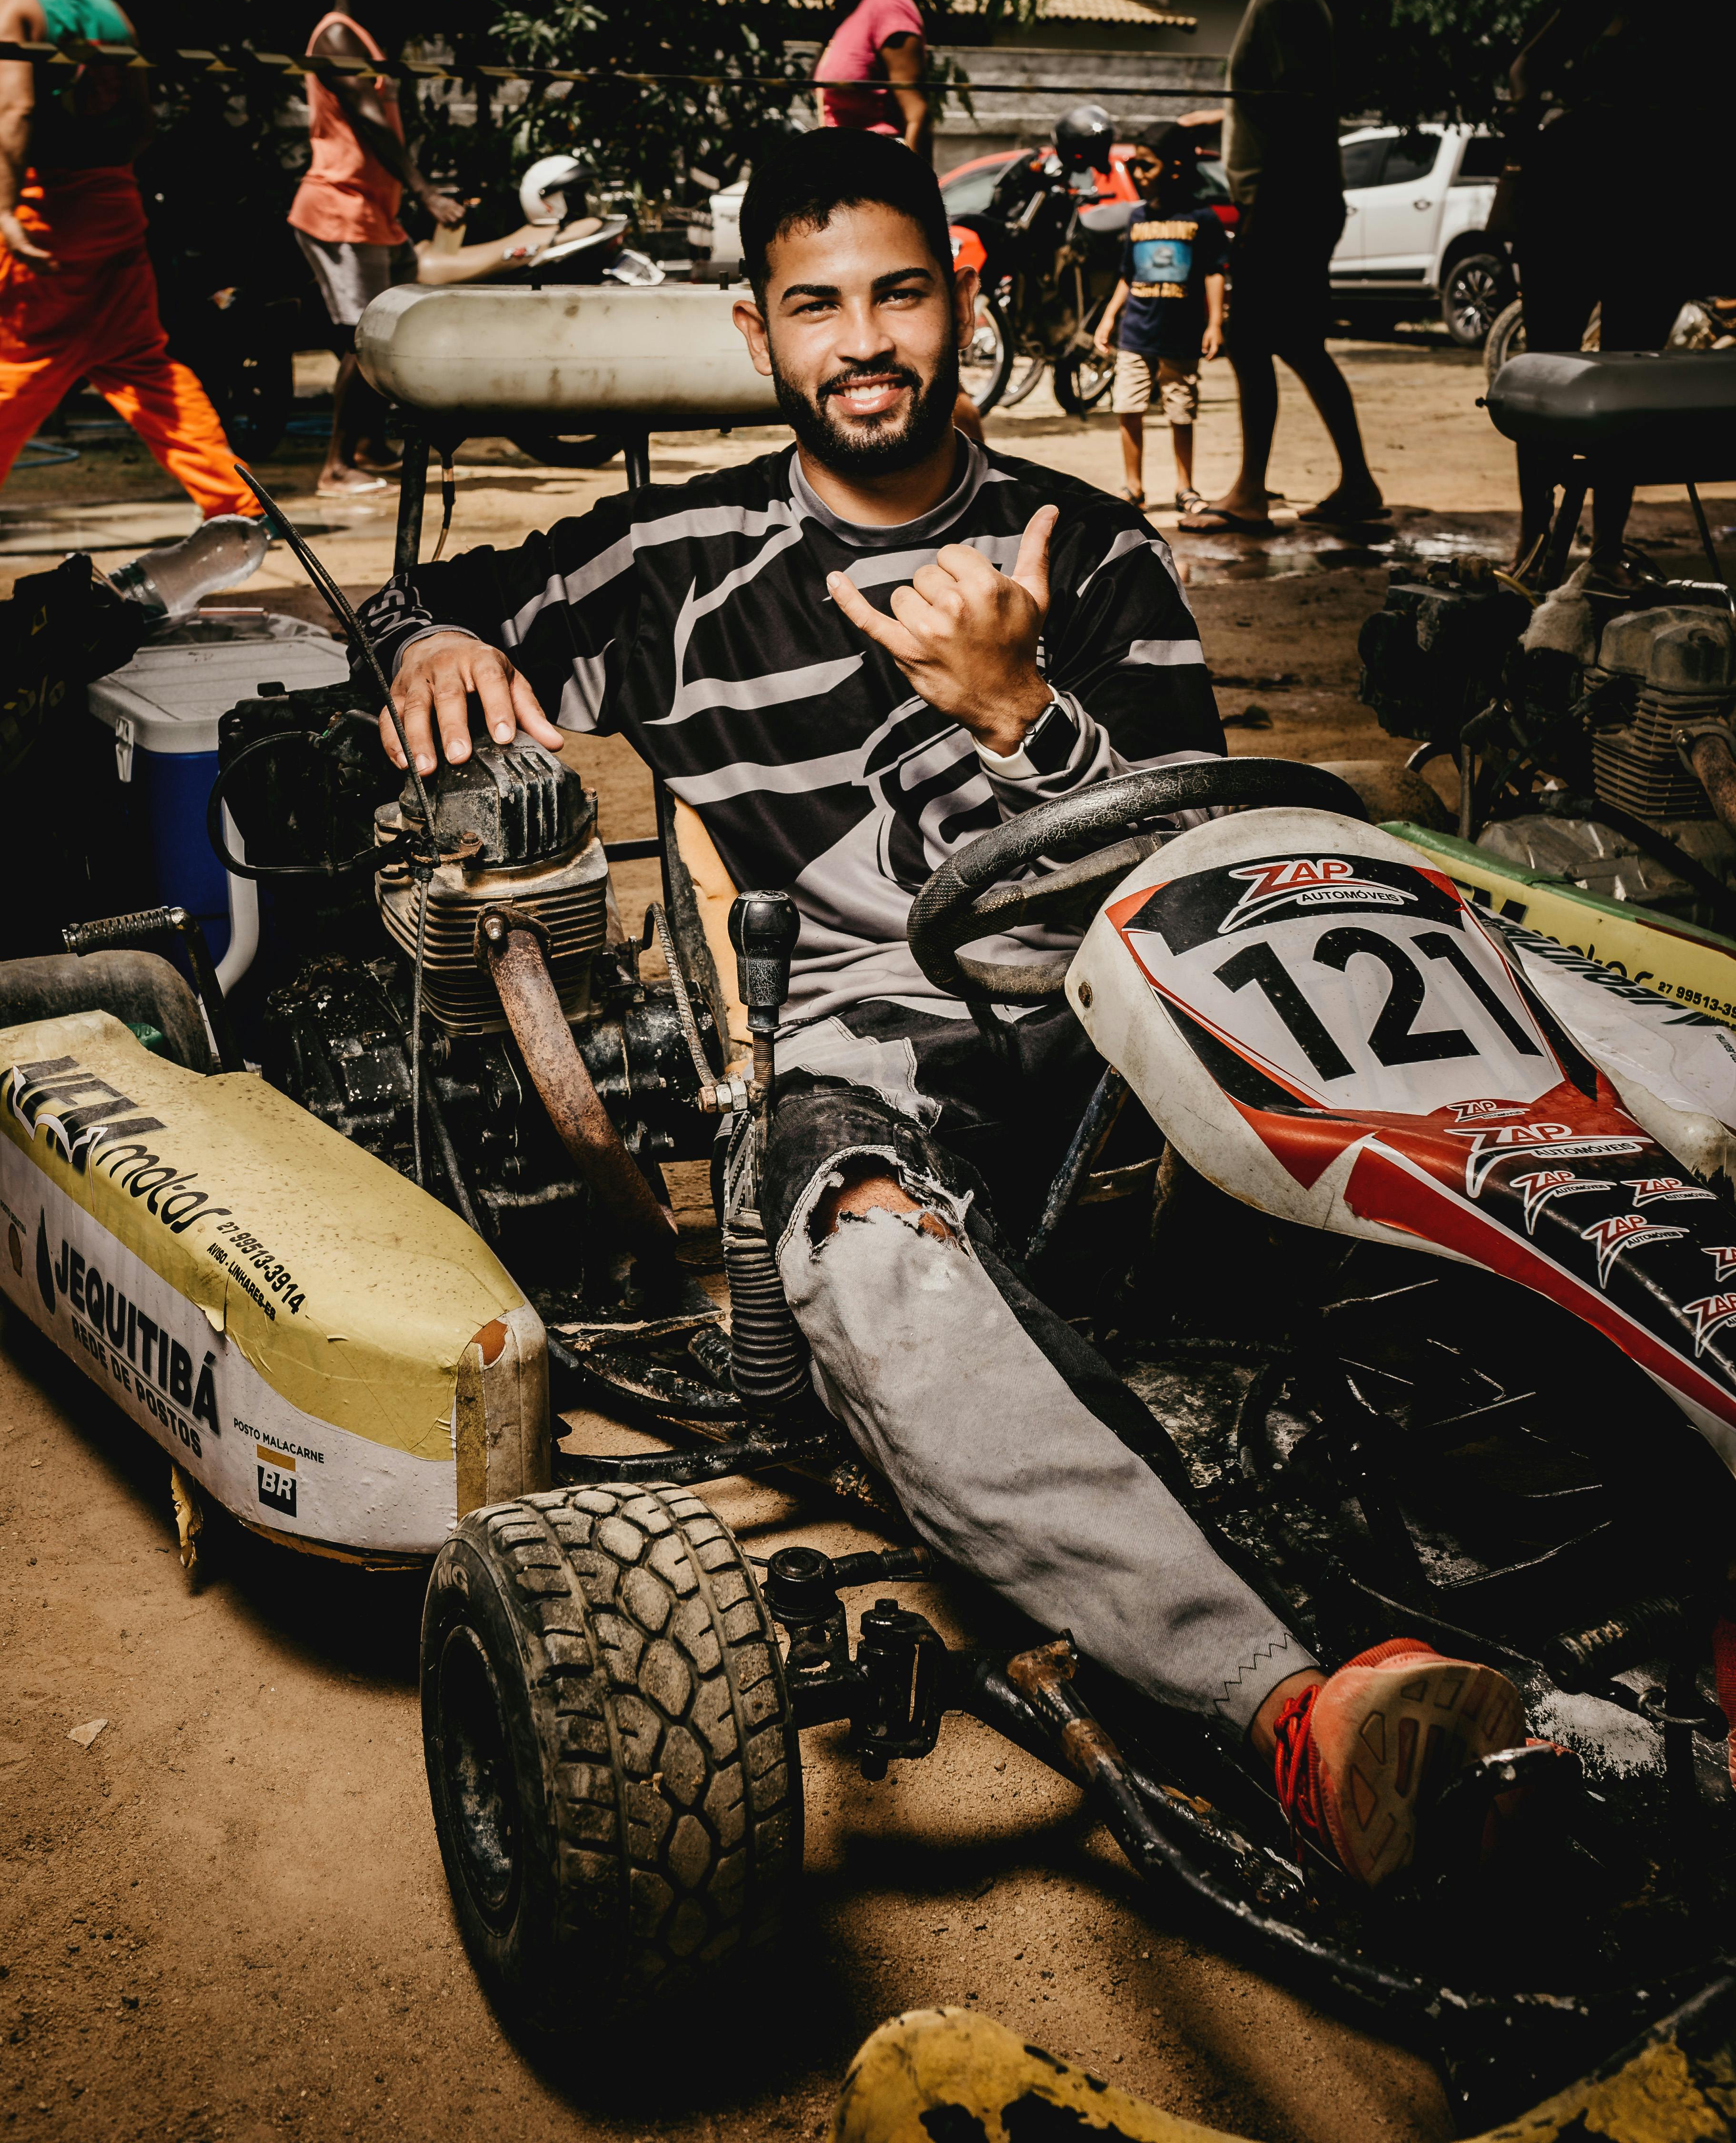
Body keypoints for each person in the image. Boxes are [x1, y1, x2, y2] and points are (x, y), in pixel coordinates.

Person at [361, 127, 1522, 1893]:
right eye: (814, 305)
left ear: (960, 308)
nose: (863, 340)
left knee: (1491, 1078)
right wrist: (429, 644)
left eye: (899, 292)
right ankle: (1281, 1709)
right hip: (863, 1052)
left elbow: (1198, 854)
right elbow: (430, 598)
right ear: (758, 336)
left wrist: (1016, 705)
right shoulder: (678, 566)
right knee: (862, 1238)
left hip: (1144, 1023)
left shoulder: (1096, 550)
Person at [1502, 0, 1733, 584]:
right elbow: (1527, 67)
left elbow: (1525, 69)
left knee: (1573, 375)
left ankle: (1559, 547)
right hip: (1641, 196)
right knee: (1612, 375)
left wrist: (1529, 125)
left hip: (1601, 189)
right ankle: (1576, 548)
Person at [0, 0, 258, 520]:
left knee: (14, 366)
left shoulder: (16, 6)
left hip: (47, 212)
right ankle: (238, 506)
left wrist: (5, 207)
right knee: (147, 366)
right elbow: (143, 125)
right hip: (115, 205)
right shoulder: (114, 15)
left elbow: (17, 107)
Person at [1180, 0, 1383, 539]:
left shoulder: (1284, 0)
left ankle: (1249, 495)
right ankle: (1357, 482)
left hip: (1288, 201)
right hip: (1294, 198)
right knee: (1297, 341)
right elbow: (1286, 102)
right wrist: (1224, 120)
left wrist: (1270, 209)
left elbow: (1301, 113)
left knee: (1247, 338)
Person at [287, 0, 464, 498]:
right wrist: (425, 191)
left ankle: (368, 446)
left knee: (387, 329)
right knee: (362, 339)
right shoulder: (337, 36)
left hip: (369, 211)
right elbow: (367, 120)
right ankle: (335, 468)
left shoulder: (363, 37)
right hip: (339, 208)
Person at [1093, 124, 1227, 510]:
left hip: (1181, 336)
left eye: (1146, 166)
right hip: (1135, 333)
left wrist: (1215, 323)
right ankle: (1133, 487)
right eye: (1135, 165)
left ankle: (1186, 488)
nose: (1138, 174)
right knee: (1128, 408)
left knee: (1180, 409)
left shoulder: (1202, 217)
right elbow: (1129, 276)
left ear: (1176, 168)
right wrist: (1109, 318)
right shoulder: (1137, 219)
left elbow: (1215, 270)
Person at [801, 0, 932, 165]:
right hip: (844, 182)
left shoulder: (887, 5)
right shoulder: (850, 15)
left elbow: (917, 114)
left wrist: (915, 200)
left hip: (878, 183)